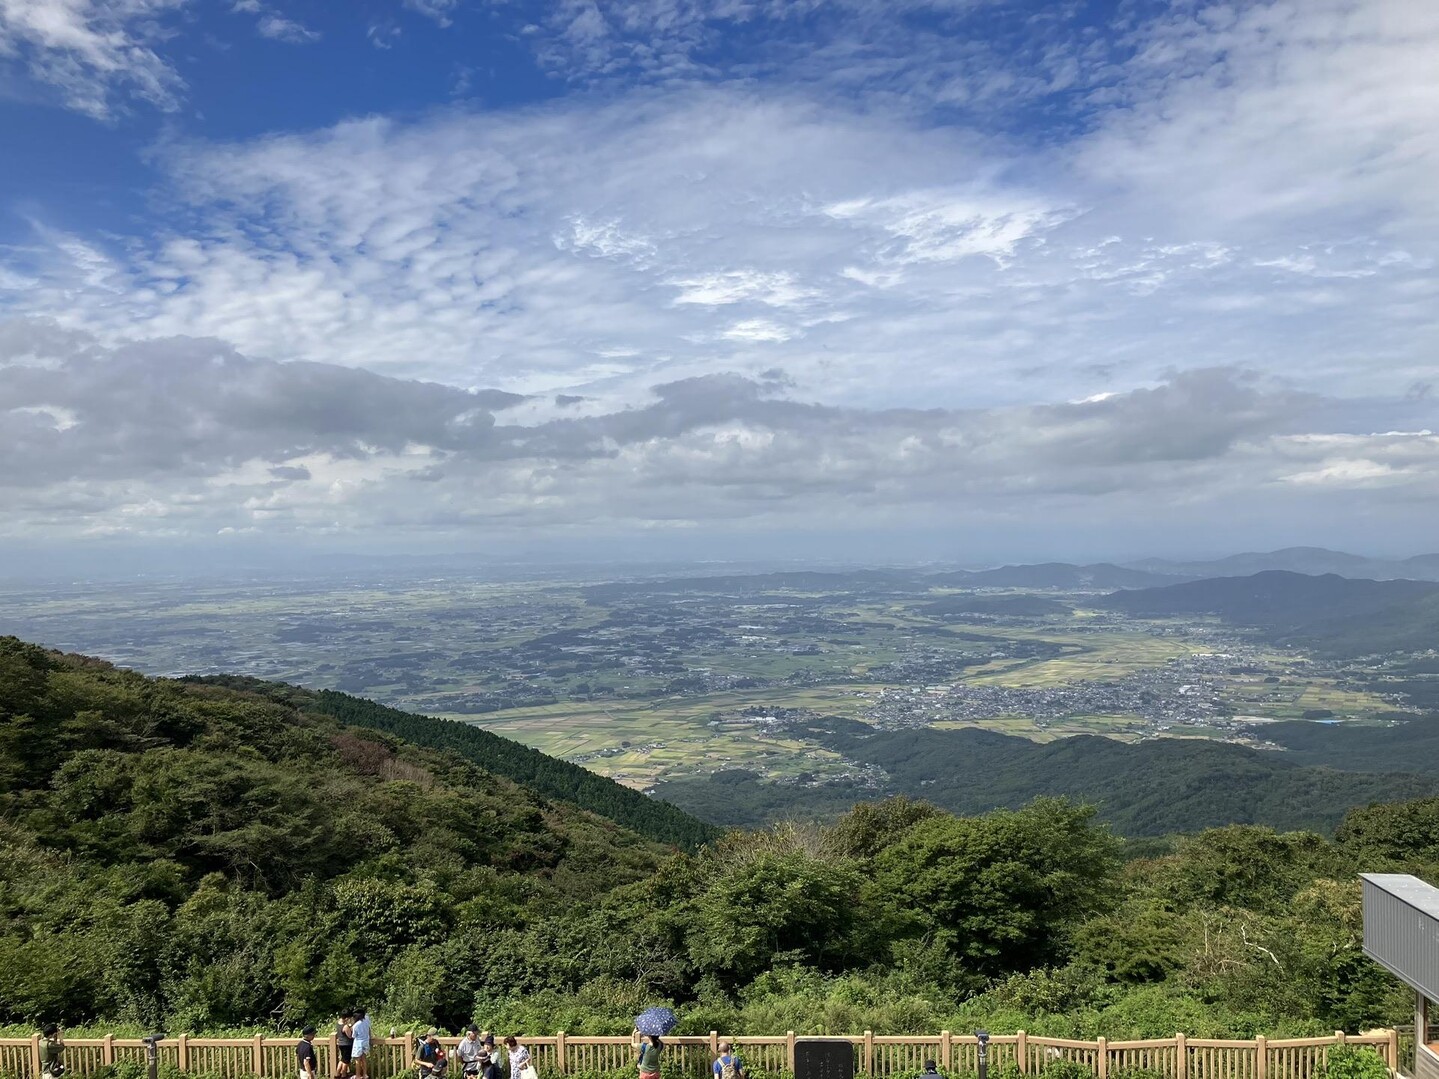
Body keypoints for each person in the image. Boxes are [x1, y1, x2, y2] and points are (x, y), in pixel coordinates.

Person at [351, 1010, 372, 1079]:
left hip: (358, 1044)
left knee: (358, 1060)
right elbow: (369, 1030)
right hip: (366, 1042)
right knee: (364, 1059)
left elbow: (353, 1036)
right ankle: (365, 1074)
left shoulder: (356, 1025)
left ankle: (357, 1075)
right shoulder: (366, 1021)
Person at [336, 1013, 355, 1079]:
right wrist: (351, 1029)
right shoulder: (345, 1026)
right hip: (346, 1044)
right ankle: (344, 1074)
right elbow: (350, 1036)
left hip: (341, 1044)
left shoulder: (338, 1023)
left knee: (342, 1059)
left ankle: (337, 1074)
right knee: (346, 1061)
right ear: (346, 1018)